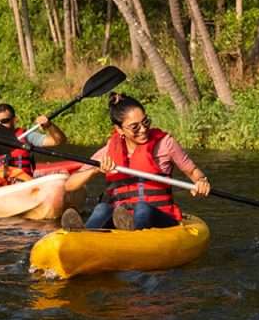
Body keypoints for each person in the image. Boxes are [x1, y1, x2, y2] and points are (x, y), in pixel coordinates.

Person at [59, 93, 211, 230]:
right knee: (102, 209)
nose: (143, 129)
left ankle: (132, 232)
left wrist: (201, 181)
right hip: (121, 218)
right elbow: (70, 185)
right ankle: (82, 234)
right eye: (135, 127)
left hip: (160, 219)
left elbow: (193, 172)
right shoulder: (109, 150)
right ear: (119, 129)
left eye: (145, 122)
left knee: (142, 208)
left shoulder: (165, 144)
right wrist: (95, 170)